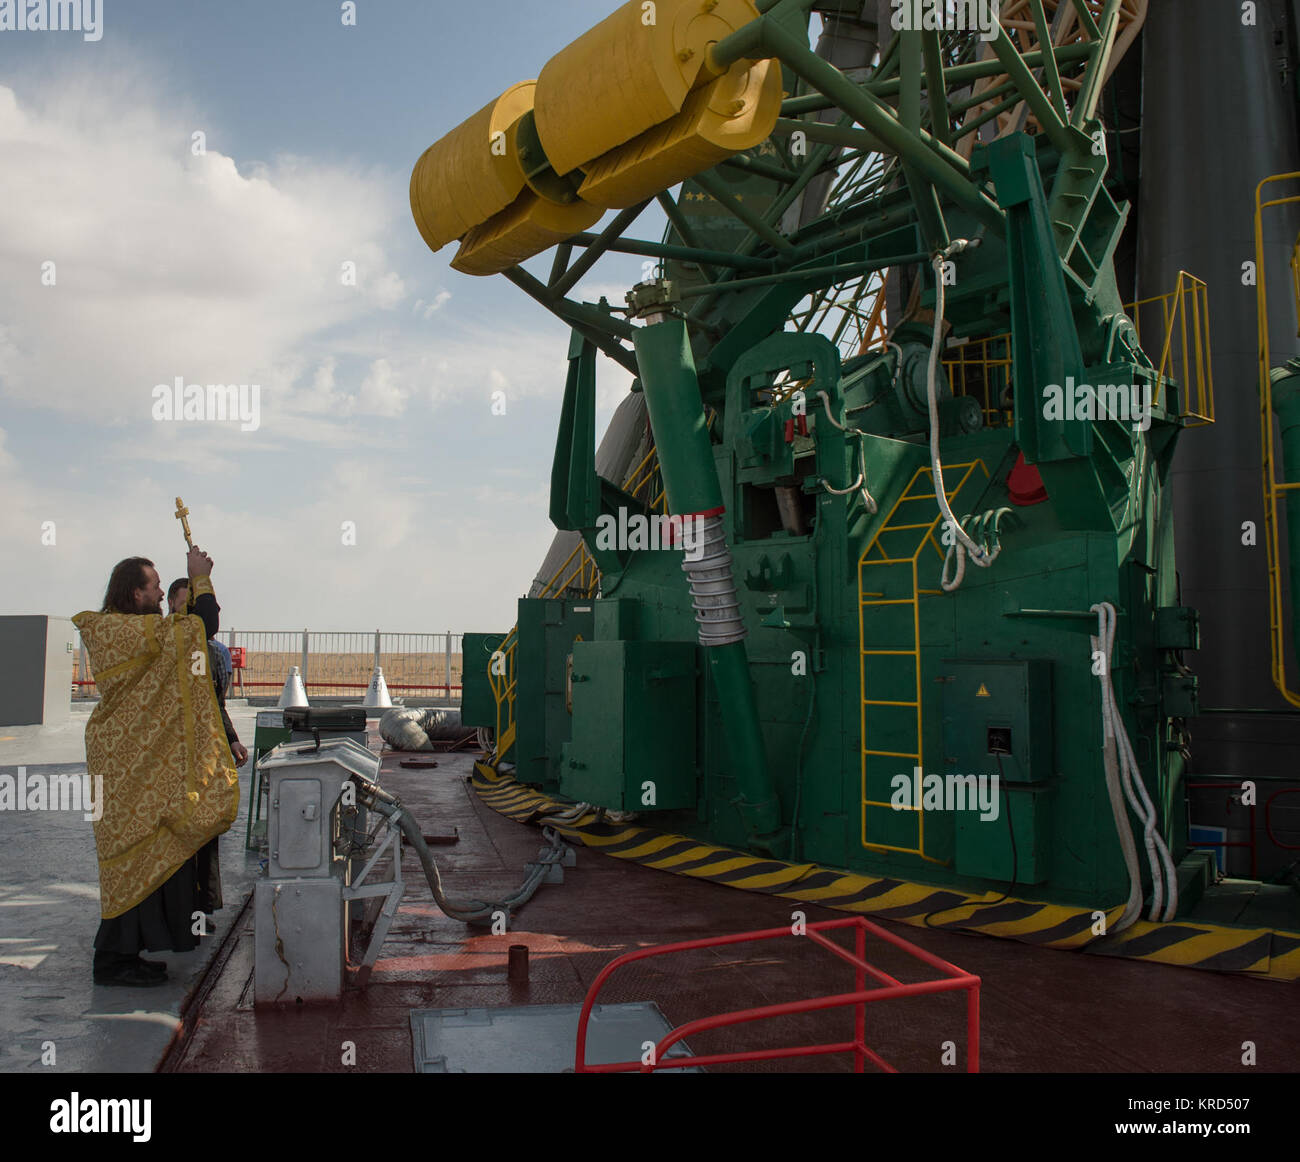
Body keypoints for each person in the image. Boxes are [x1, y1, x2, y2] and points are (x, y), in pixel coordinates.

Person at [73, 548, 239, 987]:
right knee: (130, 859)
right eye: (155, 586)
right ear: (135, 592)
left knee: (148, 856)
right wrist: (199, 579)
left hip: (132, 760)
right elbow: (198, 628)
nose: (161, 594)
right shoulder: (120, 630)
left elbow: (191, 636)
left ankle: (125, 953)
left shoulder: (128, 628)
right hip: (126, 763)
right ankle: (111, 960)